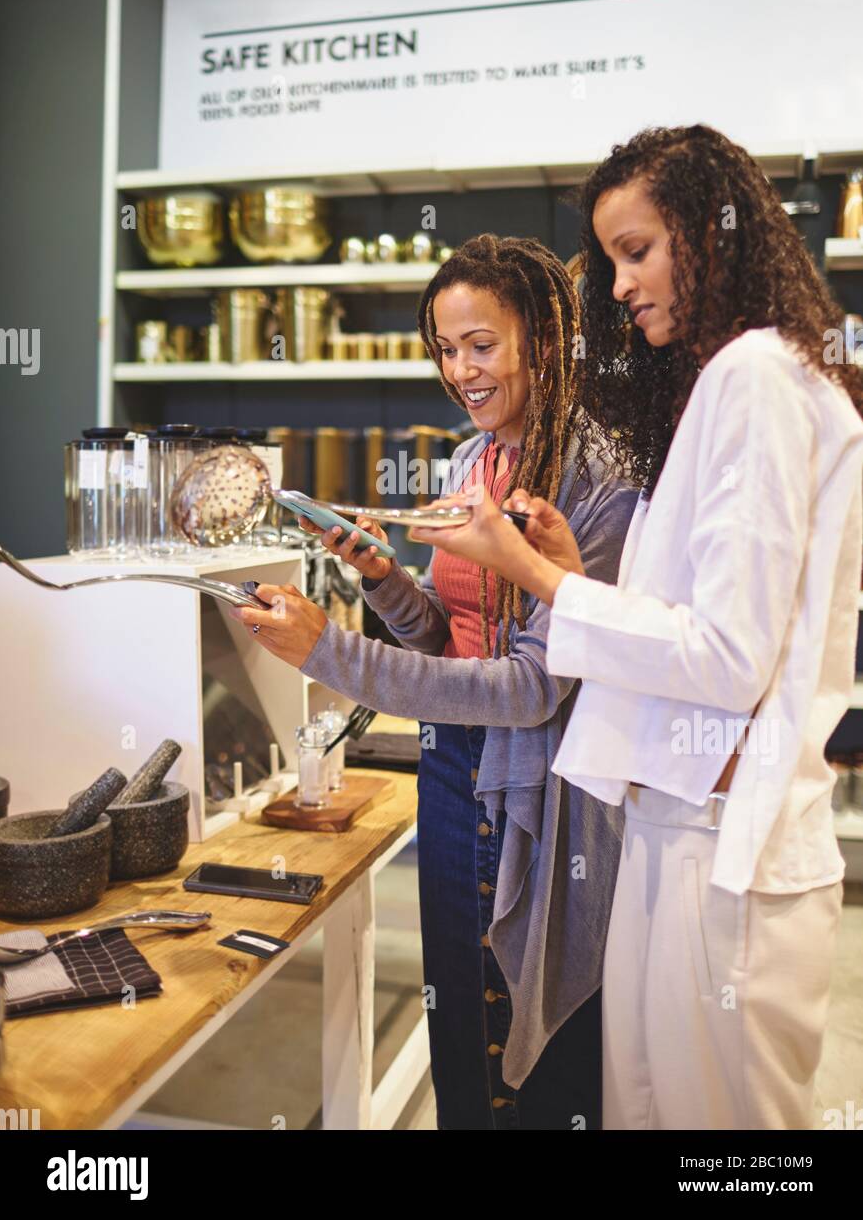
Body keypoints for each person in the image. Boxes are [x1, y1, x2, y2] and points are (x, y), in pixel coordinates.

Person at [410, 125, 863, 1130]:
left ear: (711, 233)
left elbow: (727, 656)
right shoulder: (727, 384)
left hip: (723, 843)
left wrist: (532, 574)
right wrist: (570, 575)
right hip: (676, 822)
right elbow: (688, 618)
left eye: (636, 250)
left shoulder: (754, 375)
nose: (616, 286)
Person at [234, 234, 638, 1129]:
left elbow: (534, 690)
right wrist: (382, 581)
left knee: (534, 1073)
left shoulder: (597, 478)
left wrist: (331, 654)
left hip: (540, 798)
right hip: (452, 779)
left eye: (481, 346)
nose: (461, 371)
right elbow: (452, 643)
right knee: (462, 1039)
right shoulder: (470, 462)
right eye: (446, 349)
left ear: (537, 337)